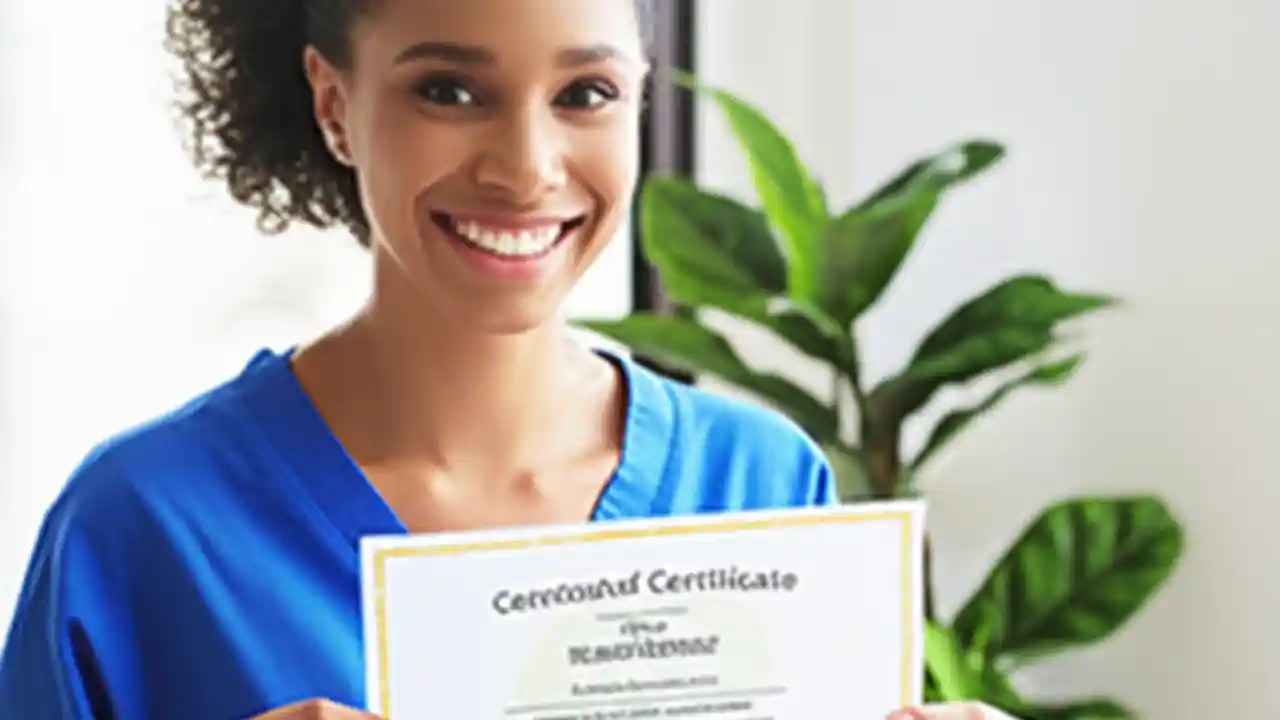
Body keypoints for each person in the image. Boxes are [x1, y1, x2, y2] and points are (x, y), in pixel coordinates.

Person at [0, 1, 1011, 718]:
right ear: (333, 103)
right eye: (448, 89)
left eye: (586, 92)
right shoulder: (144, 527)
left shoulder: (760, 485)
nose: (524, 167)